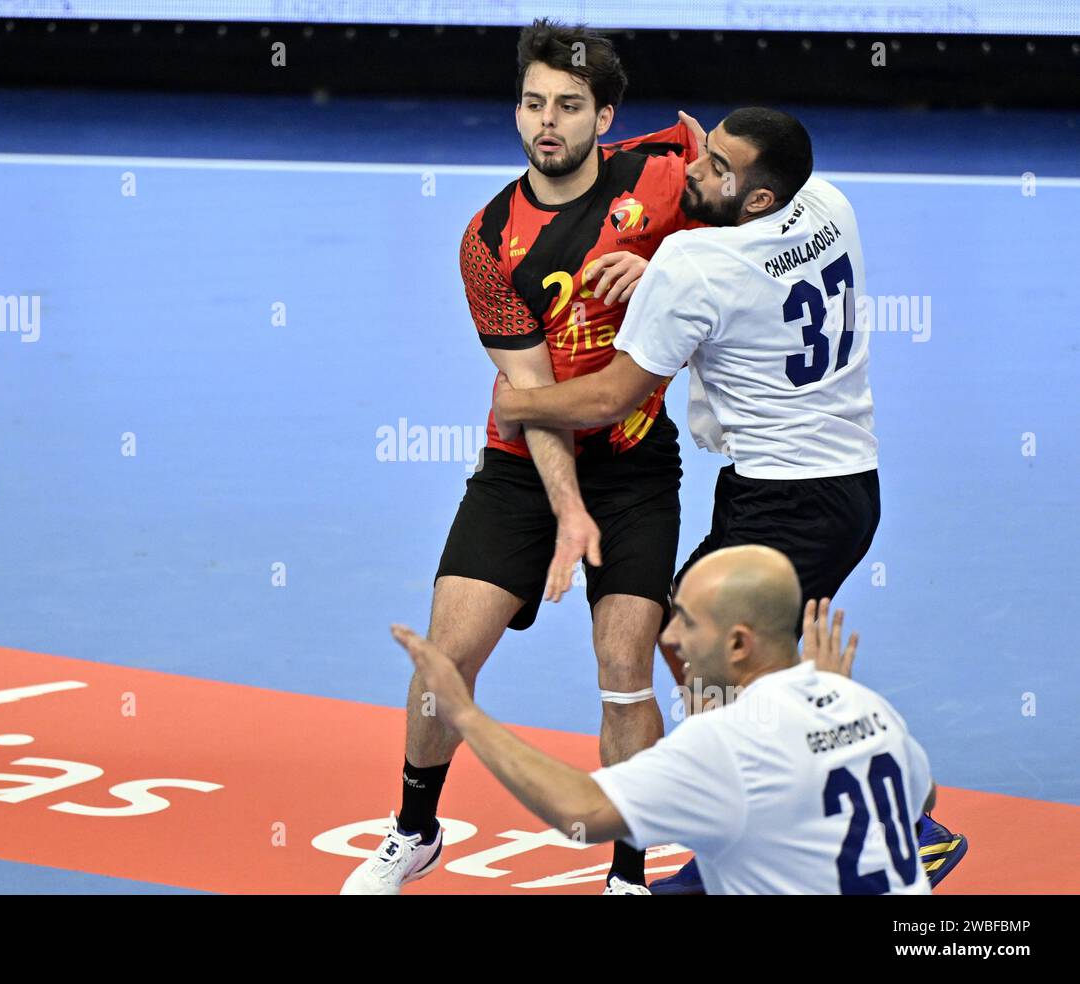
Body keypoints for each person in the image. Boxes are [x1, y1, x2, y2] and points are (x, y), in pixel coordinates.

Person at [491, 107, 966, 893]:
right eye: (704, 151)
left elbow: (613, 395)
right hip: (846, 486)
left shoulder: (692, 263)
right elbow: (753, 276)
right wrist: (666, 280)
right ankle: (764, 829)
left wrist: (521, 403)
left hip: (786, 501)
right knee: (725, 652)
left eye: (715, 167)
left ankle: (903, 829)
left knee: (701, 641)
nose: (694, 172)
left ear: (754, 199)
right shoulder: (827, 203)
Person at [342, 18, 705, 895]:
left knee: (624, 667)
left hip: (637, 461)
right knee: (447, 654)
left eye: (570, 106)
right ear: (517, 113)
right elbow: (531, 396)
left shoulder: (662, 176)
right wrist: (567, 509)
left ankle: (627, 872)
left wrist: (668, 270)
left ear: (603, 115)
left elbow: (743, 195)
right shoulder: (487, 240)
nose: (550, 121)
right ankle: (416, 831)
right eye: (535, 103)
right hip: (524, 462)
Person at [389, 545, 953, 895]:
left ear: (738, 642)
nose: (672, 636)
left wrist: (463, 712)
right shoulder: (866, 707)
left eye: (687, 621)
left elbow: (579, 811)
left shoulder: (727, 742)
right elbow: (920, 801)